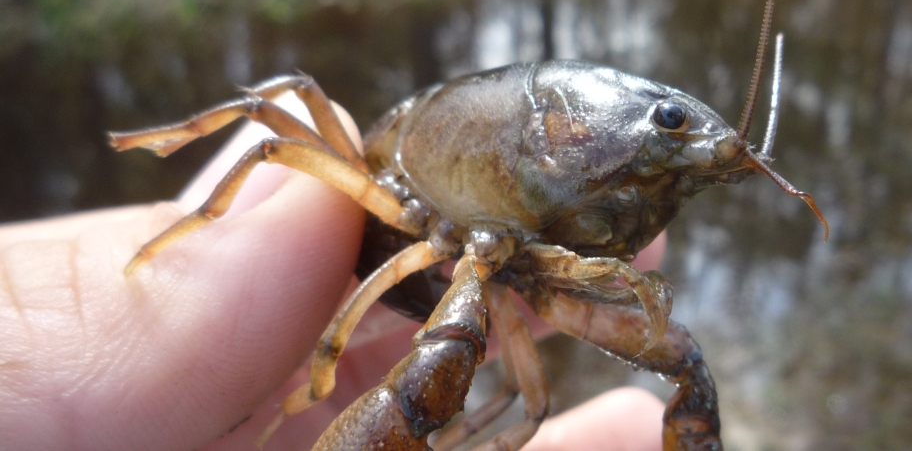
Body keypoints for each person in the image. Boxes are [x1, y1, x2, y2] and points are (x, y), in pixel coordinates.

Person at [0, 100, 666, 450]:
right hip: (392, 221)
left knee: (531, 402)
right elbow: (272, 132)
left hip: (447, 273)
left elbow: (528, 408)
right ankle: (188, 191)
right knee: (280, 122)